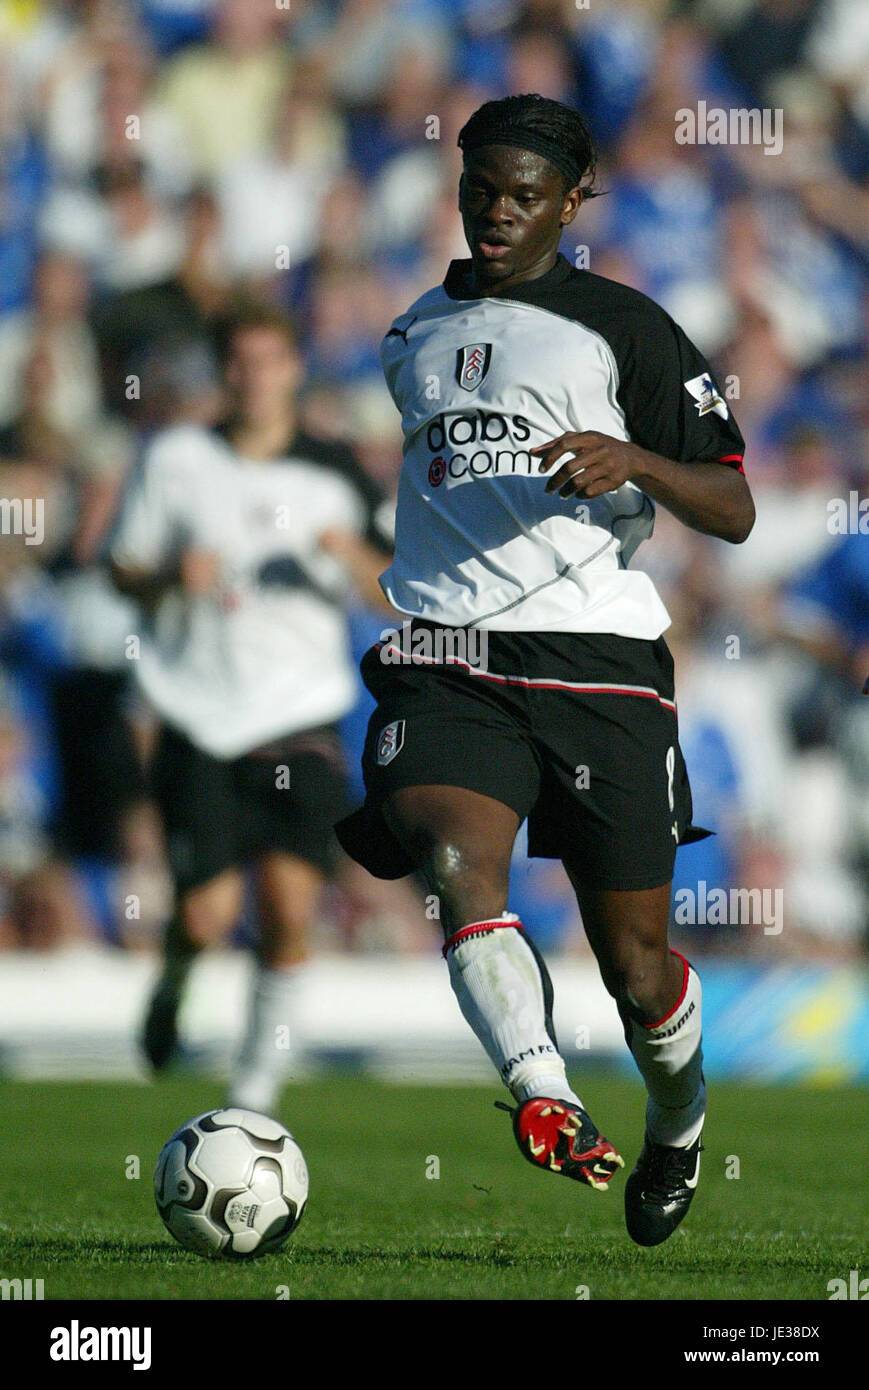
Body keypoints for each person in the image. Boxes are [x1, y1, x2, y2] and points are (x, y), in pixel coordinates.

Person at [337, 94, 754, 1246]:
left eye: (525, 196)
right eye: (481, 190)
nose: (497, 214)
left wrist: (636, 461)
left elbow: (734, 504)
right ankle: (543, 1093)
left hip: (599, 662)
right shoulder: (408, 334)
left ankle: (678, 1116)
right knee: (458, 861)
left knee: (636, 971)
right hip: (445, 657)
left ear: (570, 203)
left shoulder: (627, 326)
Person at [111, 302, 392, 1112]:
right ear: (223, 371)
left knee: (287, 905)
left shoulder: (335, 471)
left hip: (300, 713)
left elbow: (396, 595)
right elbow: (120, 569)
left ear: (293, 370)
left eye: (269, 361)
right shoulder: (175, 459)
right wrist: (170, 578)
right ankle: (174, 976)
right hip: (199, 712)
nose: (254, 378)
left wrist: (351, 556)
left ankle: (255, 1086)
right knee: (205, 912)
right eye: (239, 362)